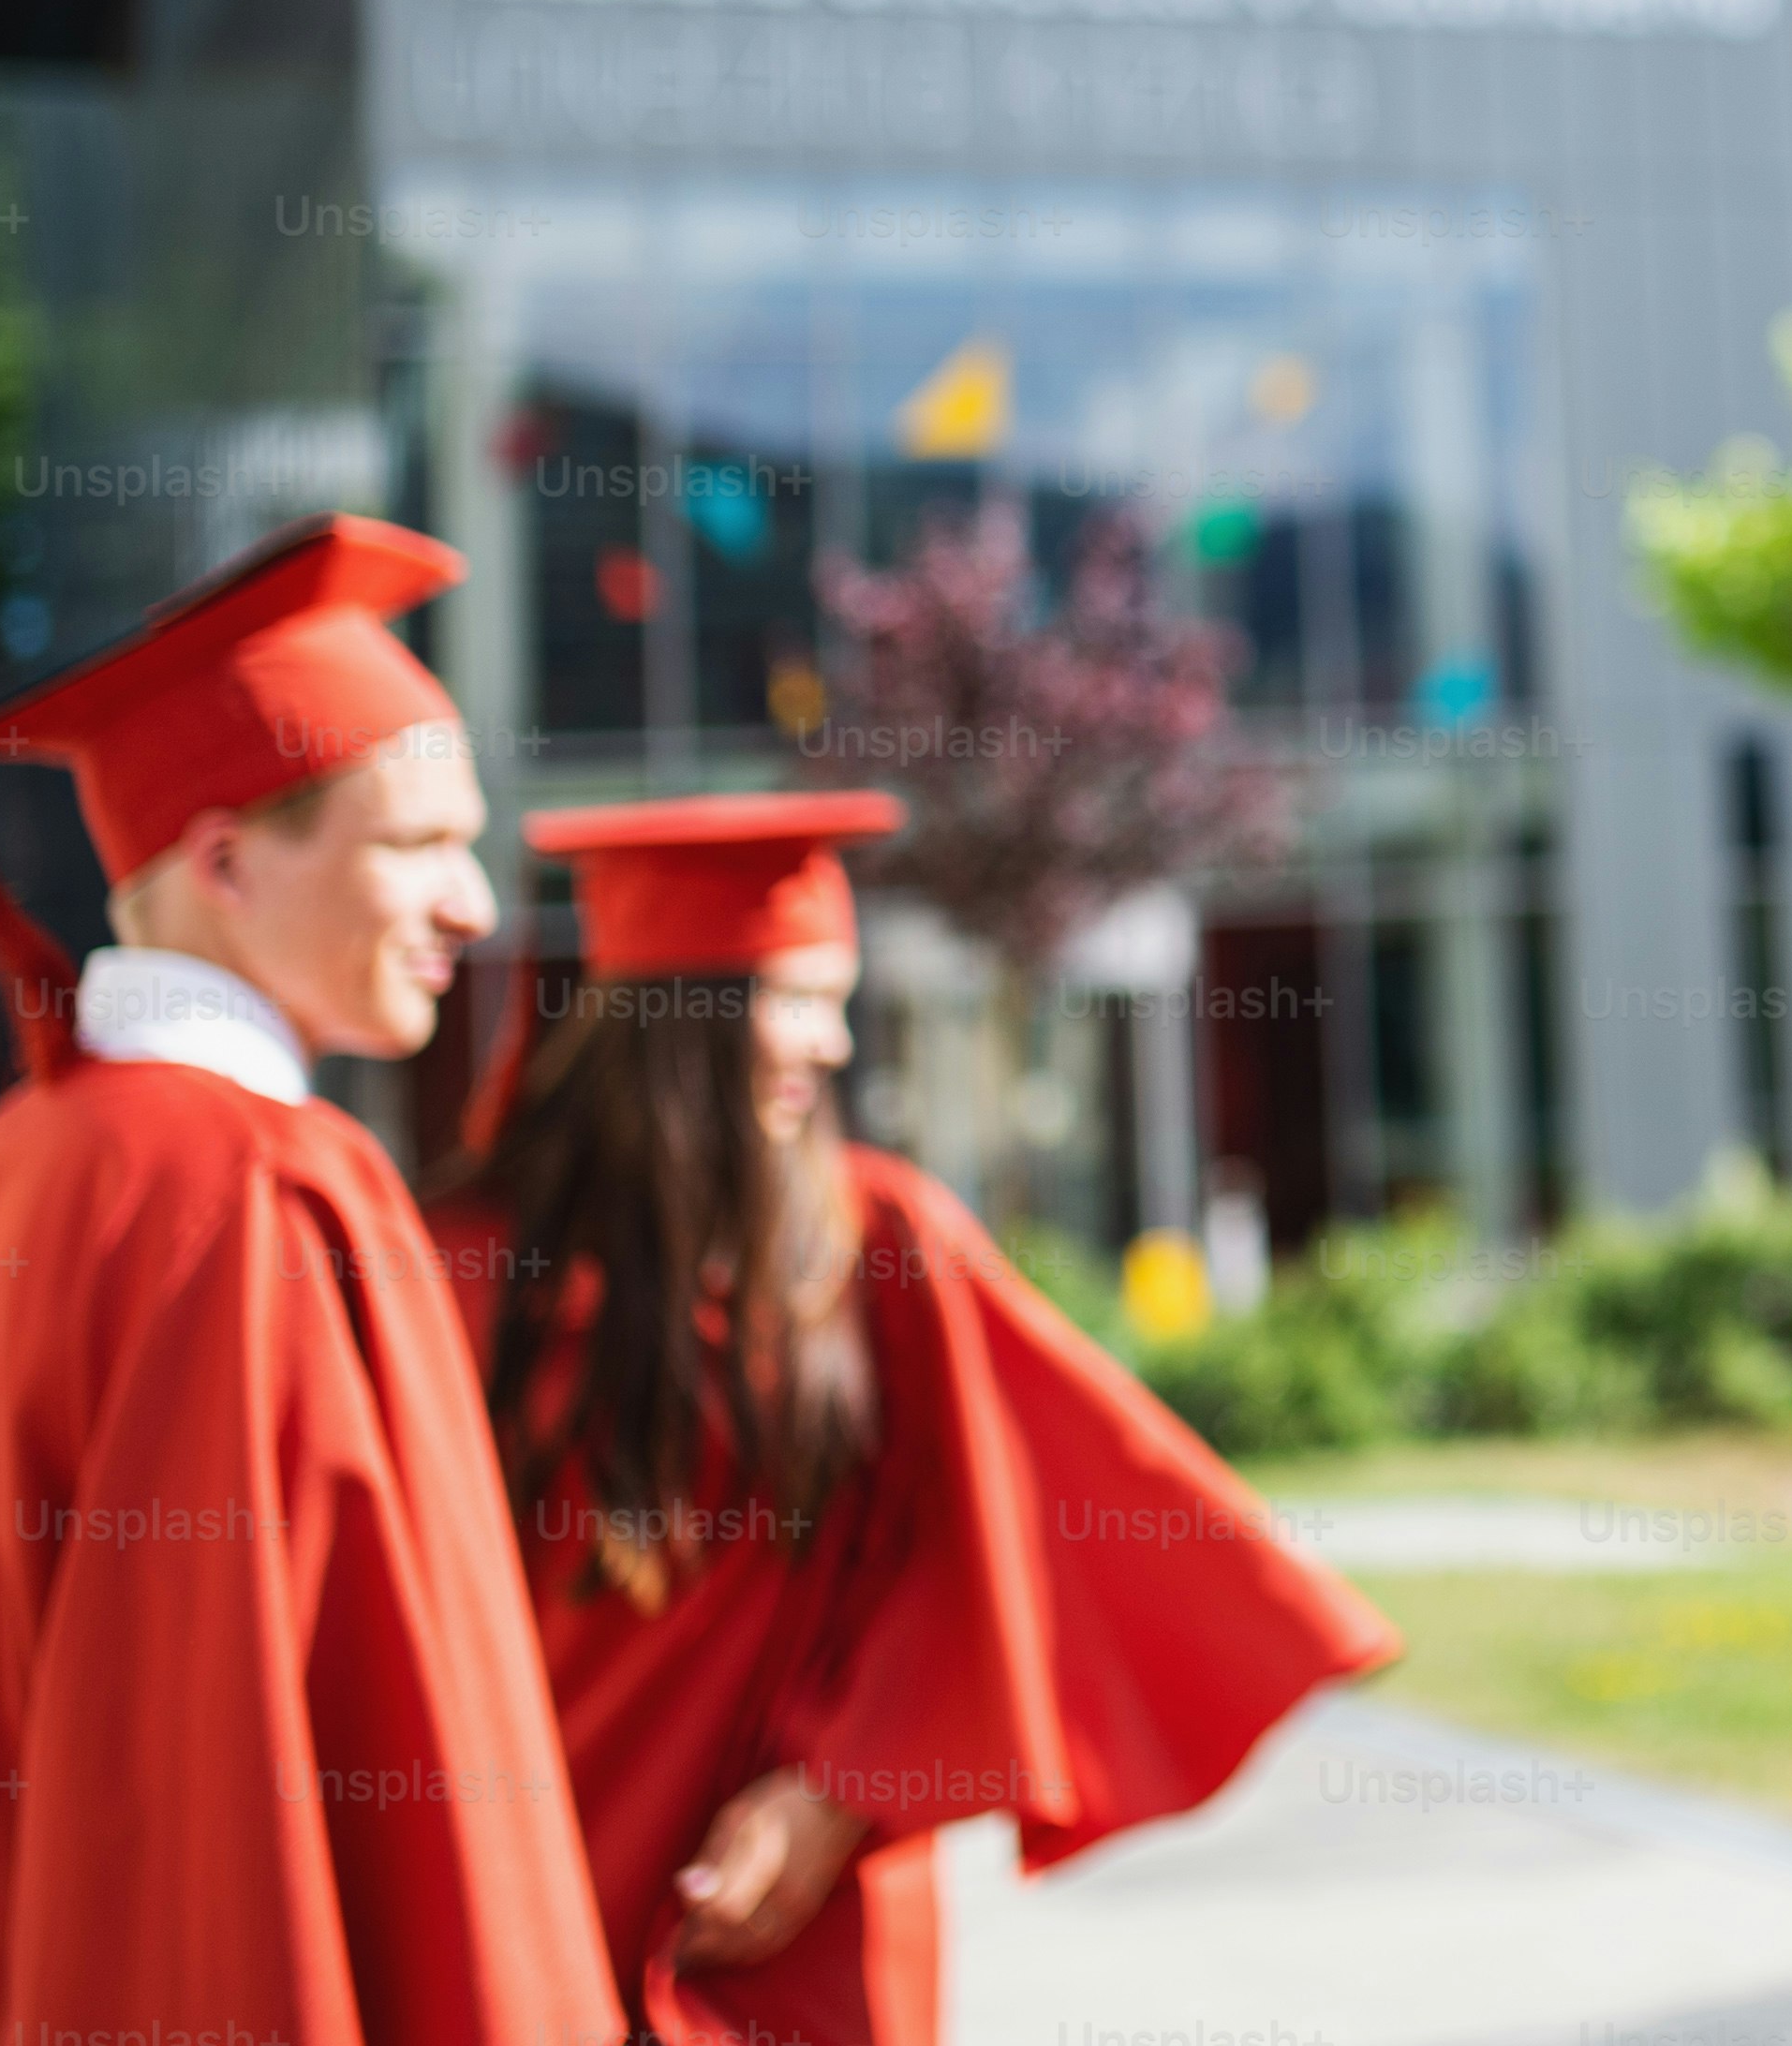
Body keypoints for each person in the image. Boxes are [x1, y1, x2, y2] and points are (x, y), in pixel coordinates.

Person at [0, 515, 614, 2046]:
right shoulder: (282, 1191)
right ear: (221, 860)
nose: (475, 907)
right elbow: (306, 1779)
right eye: (417, 844)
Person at [434, 789, 1398, 2042]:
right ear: (681, 1027)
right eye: (800, 1001)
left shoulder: (880, 1247)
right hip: (530, 1863)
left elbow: (994, 1538)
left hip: (803, 1918)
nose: (832, 1048)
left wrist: (842, 1788)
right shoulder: (460, 1265)